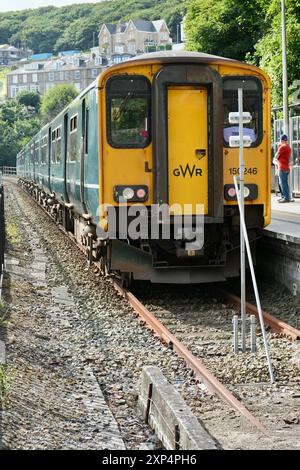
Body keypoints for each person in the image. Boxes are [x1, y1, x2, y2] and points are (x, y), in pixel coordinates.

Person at [274, 134, 292, 202]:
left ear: (281, 140)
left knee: (282, 183)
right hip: (286, 167)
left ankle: (286, 198)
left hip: (282, 167)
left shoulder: (282, 147)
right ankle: (286, 197)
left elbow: (276, 156)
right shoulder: (288, 147)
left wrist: (279, 147)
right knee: (285, 183)